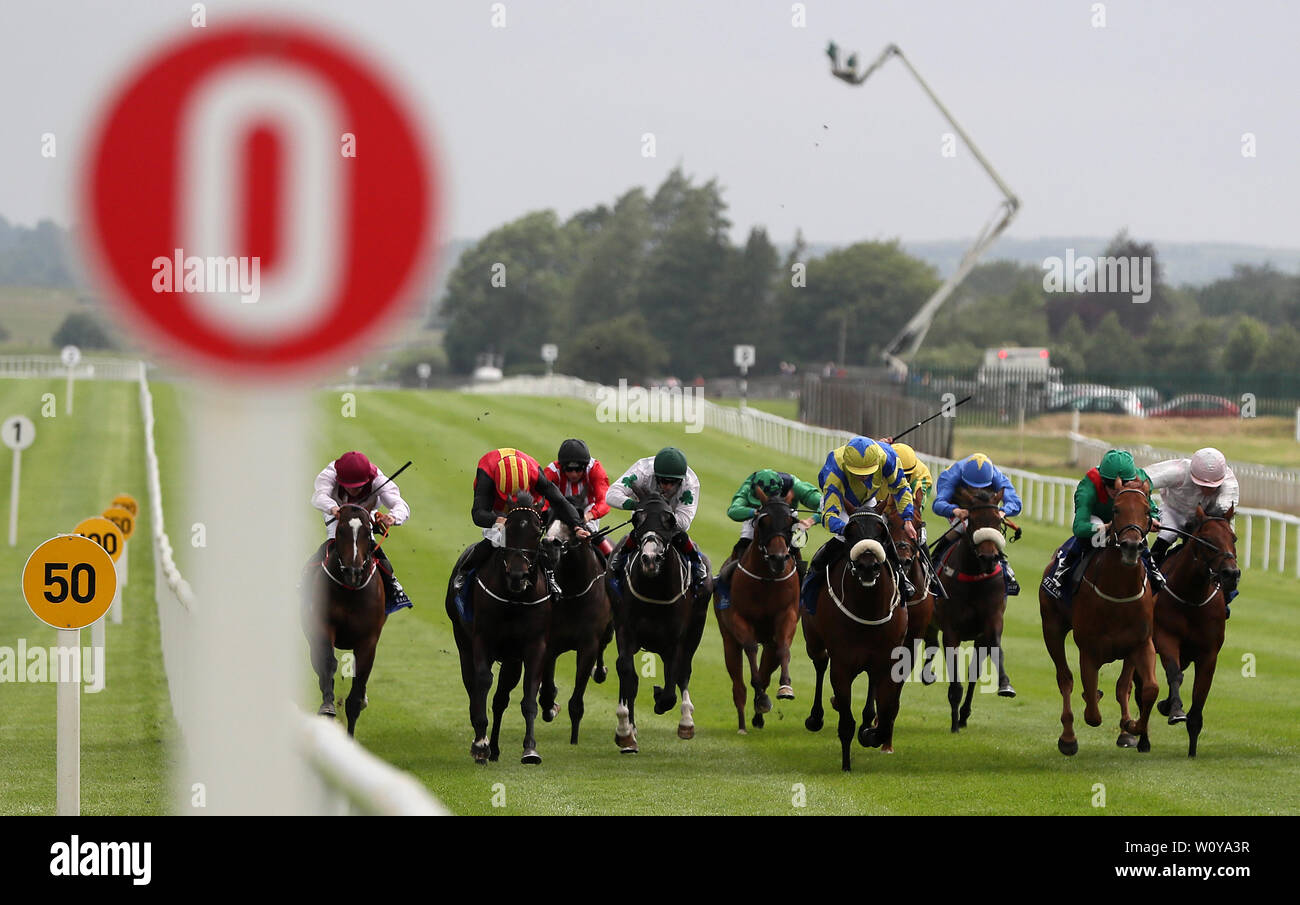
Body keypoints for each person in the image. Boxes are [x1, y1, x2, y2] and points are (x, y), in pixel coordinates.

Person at [451, 447, 586, 610]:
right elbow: (478, 513)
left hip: (528, 505)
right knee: (495, 539)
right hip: (498, 508)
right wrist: (497, 519)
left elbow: (560, 501)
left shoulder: (534, 472)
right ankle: (464, 572)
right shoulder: (486, 471)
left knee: (534, 539)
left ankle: (550, 578)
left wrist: (577, 526)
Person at [799, 436, 917, 613]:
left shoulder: (887, 457)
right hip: (841, 500)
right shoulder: (834, 470)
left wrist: (907, 519)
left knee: (880, 534)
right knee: (844, 538)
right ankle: (810, 585)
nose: (863, 477)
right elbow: (829, 515)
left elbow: (901, 489)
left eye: (868, 472)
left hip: (868, 500)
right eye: (858, 473)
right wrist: (847, 529)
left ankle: (901, 577)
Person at [1041, 449, 1163, 604]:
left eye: (1123, 484)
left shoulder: (1141, 480)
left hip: (1125, 519)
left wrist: (1153, 518)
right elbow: (1079, 527)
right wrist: (1106, 527)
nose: (1116, 489)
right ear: (1102, 480)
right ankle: (1063, 568)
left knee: (1135, 532)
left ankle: (1152, 567)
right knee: (1097, 538)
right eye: (1110, 484)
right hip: (1099, 519)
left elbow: (1150, 506)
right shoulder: (1089, 485)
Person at [307, 451, 411, 613]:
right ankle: (306, 580)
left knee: (369, 544)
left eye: (358, 487)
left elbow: (399, 504)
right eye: (348, 486)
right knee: (334, 540)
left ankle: (393, 586)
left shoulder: (378, 479)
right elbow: (318, 497)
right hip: (336, 512)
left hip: (364, 514)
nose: (353, 490)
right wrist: (333, 507)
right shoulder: (329, 474)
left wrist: (393, 517)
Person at [1146, 447, 1241, 615]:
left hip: (1208, 518)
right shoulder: (1178, 471)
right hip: (1174, 512)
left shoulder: (1229, 486)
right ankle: (1148, 584)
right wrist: (1150, 513)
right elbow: (1143, 479)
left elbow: (1223, 519)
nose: (1208, 490)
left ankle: (1226, 597)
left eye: (1213, 487)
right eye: (1202, 485)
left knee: (1223, 551)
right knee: (1167, 536)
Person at [605, 447, 708, 592]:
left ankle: (697, 566)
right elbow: (611, 495)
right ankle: (618, 566)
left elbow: (684, 522)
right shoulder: (642, 471)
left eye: (673, 482)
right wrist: (637, 505)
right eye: (663, 481)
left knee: (681, 536)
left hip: (670, 523)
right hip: (644, 518)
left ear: (681, 480)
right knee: (637, 534)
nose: (667, 486)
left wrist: (661, 513)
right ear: (655, 475)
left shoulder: (690, 483)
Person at [715, 468, 820, 609]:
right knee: (742, 545)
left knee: (796, 547)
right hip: (759, 517)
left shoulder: (794, 485)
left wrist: (811, 520)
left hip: (786, 518)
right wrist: (754, 511)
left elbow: (826, 505)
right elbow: (733, 511)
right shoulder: (751, 484)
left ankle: (802, 591)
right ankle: (725, 592)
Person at [930, 452, 1023, 595]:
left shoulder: (996, 476)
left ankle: (1006, 569)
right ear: (964, 479)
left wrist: (1003, 512)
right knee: (963, 527)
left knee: (991, 528)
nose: (978, 491)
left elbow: (1016, 503)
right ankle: (933, 566)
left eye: (982, 487)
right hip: (960, 506)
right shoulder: (950, 476)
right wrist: (955, 510)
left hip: (985, 508)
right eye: (973, 487)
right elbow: (938, 504)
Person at [543, 438, 613, 556]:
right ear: (562, 467)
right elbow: (542, 501)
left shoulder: (595, 469)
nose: (574, 474)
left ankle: (611, 560)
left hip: (587, 509)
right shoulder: (552, 471)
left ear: (585, 466)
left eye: (578, 469)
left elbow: (605, 500)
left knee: (591, 532)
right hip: (560, 509)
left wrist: (589, 515)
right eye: (569, 470)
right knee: (549, 538)